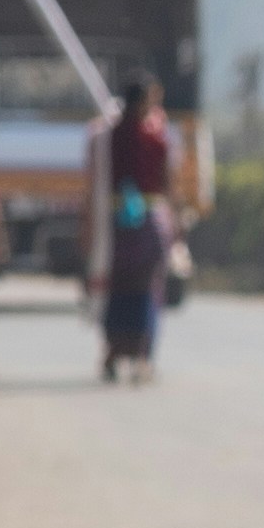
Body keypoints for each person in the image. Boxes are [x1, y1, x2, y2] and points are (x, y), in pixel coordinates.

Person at [96, 73, 184, 384]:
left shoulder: (110, 135)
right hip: (148, 219)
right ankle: (142, 357)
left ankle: (112, 352)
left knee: (119, 286)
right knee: (148, 287)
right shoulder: (153, 139)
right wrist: (176, 220)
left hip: (118, 220)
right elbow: (167, 181)